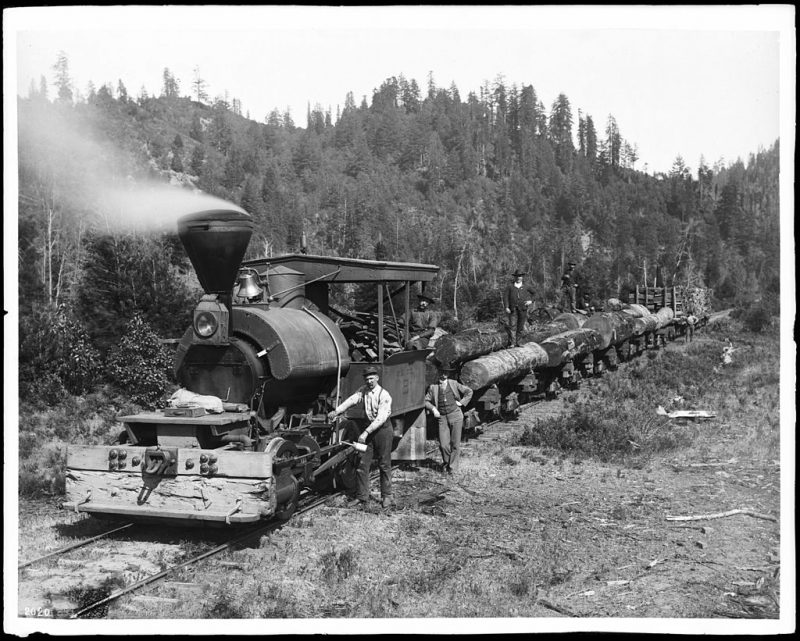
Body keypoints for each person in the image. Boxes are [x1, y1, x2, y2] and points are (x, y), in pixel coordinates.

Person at [327, 366, 394, 508]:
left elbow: (380, 419)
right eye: (367, 379)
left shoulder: (384, 395)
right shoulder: (363, 391)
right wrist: (336, 411)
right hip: (369, 431)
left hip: (383, 431)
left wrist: (365, 433)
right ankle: (362, 497)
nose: (369, 381)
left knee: (384, 464)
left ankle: (387, 496)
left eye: (372, 378)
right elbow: (351, 400)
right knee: (362, 464)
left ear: (377, 378)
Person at [425, 367, 473, 474]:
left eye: (445, 373)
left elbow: (469, 391)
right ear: (438, 374)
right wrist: (433, 409)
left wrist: (461, 402)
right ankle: (447, 462)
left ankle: (452, 469)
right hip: (442, 418)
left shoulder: (454, 383)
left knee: (455, 444)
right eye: (441, 373)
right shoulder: (433, 387)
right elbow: (426, 401)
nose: (443, 375)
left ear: (447, 374)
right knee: (443, 444)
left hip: (455, 415)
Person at [502, 270, 536, 346]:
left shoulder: (526, 286)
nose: (518, 278)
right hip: (512, 309)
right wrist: (506, 307)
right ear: (515, 277)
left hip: (523, 308)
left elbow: (534, 293)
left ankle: (519, 342)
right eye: (517, 276)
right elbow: (505, 297)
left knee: (520, 326)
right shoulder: (510, 286)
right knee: (512, 326)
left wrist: (531, 301)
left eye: (520, 276)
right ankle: (512, 343)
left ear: (522, 277)